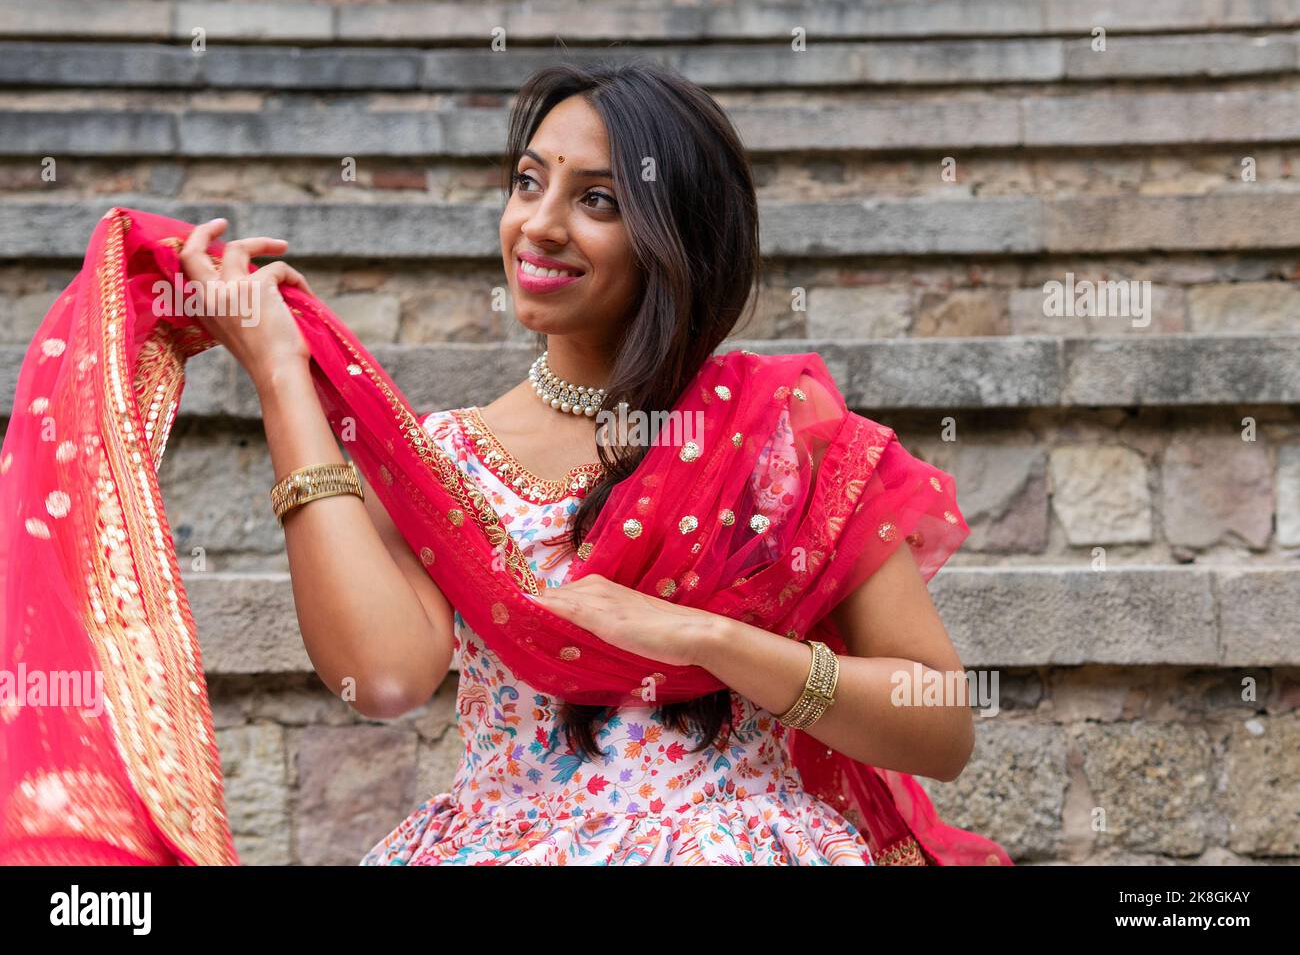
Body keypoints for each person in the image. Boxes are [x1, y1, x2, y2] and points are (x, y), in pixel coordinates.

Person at [0, 60, 1011, 866]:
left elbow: (941, 728)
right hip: (500, 838)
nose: (538, 223)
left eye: (598, 199)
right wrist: (281, 381)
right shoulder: (448, 458)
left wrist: (700, 635)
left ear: (679, 238)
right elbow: (385, 676)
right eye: (528, 182)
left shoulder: (781, 437)